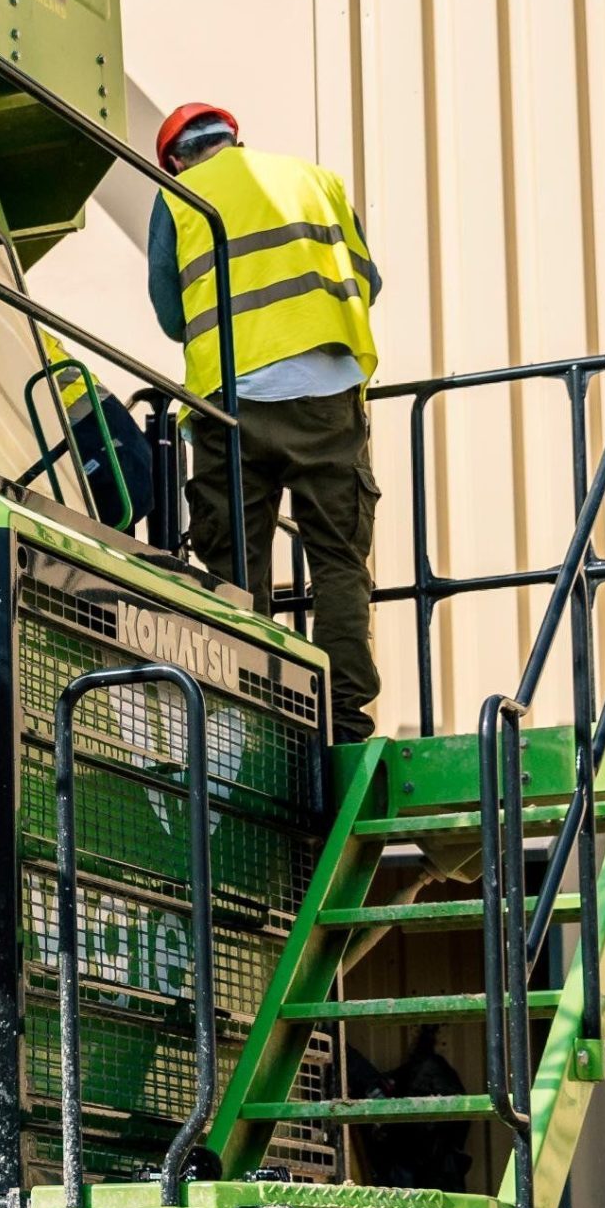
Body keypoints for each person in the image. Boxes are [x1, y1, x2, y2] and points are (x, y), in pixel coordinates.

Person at [145, 99, 385, 741]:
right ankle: (345, 713)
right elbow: (371, 281)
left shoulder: (177, 196)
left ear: (174, 159)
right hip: (328, 396)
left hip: (232, 404)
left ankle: (252, 707)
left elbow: (172, 316)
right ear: (235, 139)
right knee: (338, 557)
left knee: (236, 560)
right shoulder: (317, 180)